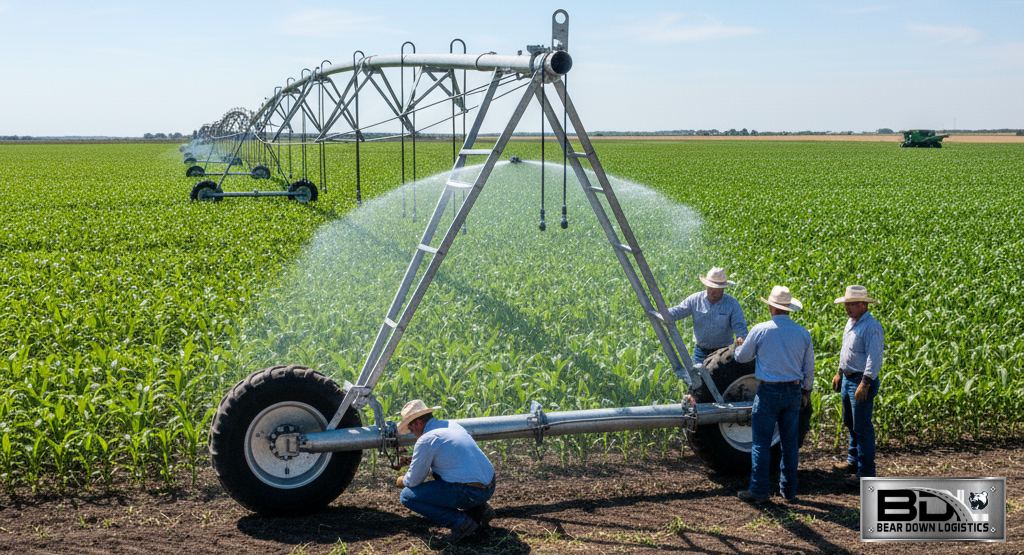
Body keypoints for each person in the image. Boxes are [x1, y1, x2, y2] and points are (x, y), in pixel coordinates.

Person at [733, 285, 814, 503]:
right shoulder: (802, 333)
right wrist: (806, 390)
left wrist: (738, 346)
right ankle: (788, 491)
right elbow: (809, 368)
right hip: (793, 390)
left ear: (771, 306)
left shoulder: (760, 330)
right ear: (789, 308)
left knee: (760, 442)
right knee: (789, 443)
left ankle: (759, 491)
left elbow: (742, 358)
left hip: (768, 390)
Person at [396, 400, 496, 544]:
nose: (412, 433)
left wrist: (402, 480)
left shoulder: (426, 440)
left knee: (407, 496)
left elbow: (414, 481)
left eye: (411, 429)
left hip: (470, 492)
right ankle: (480, 510)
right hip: (489, 486)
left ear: (418, 423)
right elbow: (451, 461)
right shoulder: (452, 425)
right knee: (443, 475)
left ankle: (461, 524)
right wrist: (416, 460)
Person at [831, 285, 883, 484]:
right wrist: (839, 372)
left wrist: (866, 383)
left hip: (861, 380)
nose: (848, 308)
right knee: (850, 422)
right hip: (847, 378)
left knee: (862, 427)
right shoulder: (851, 322)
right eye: (847, 304)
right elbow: (847, 351)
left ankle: (866, 473)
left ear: (864, 305)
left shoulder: (872, 327)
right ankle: (852, 462)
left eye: (852, 304)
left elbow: (874, 357)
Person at [669, 267, 749, 366]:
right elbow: (679, 311)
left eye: (717, 290)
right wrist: (664, 314)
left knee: (722, 379)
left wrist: (741, 337)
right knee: (699, 379)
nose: (712, 293)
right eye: (710, 288)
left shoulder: (732, 304)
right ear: (706, 286)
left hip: (724, 352)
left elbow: (739, 325)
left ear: (723, 289)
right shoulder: (695, 300)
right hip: (701, 352)